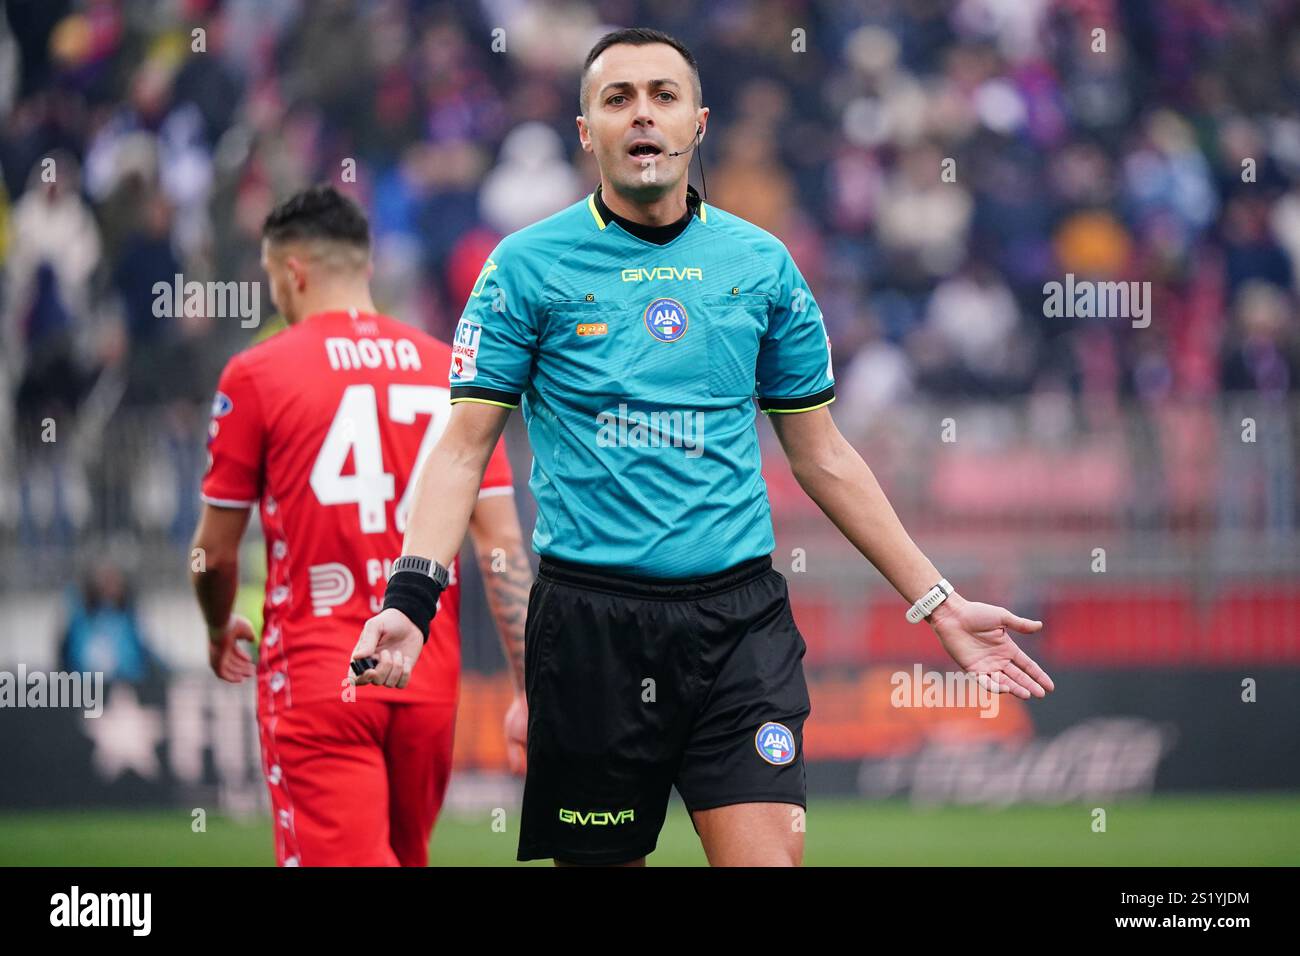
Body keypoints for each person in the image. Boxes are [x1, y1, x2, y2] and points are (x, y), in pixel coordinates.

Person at [352, 28, 1053, 867]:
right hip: (590, 630)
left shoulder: (761, 266)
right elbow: (462, 448)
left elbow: (823, 454)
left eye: (662, 95)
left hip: (738, 629)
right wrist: (411, 598)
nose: (641, 115)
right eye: (617, 99)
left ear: (698, 122)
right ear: (587, 132)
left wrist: (939, 604)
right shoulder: (523, 268)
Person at [190, 185, 532, 866]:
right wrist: (528, 687)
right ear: (366, 267)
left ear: (291, 271)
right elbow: (501, 547)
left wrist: (215, 622)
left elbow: (214, 553)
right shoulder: (449, 370)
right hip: (428, 682)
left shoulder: (257, 373)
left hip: (319, 674)